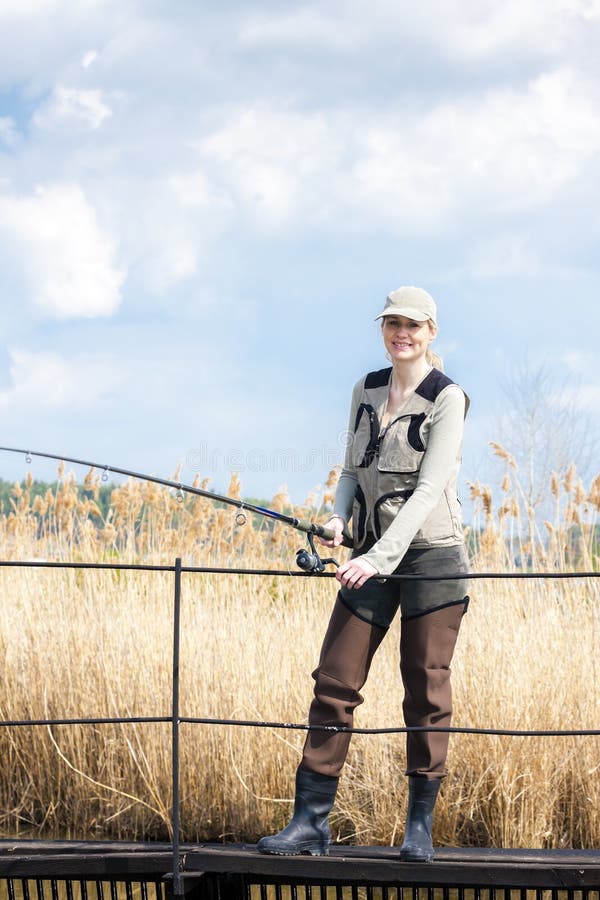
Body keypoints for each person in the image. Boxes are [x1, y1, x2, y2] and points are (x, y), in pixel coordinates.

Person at [257, 286, 470, 862]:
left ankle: (418, 829)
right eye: (392, 323)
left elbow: (429, 490)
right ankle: (309, 825)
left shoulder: (449, 399)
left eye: (413, 326)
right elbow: (352, 468)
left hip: (431, 559)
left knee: (425, 689)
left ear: (431, 332)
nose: (401, 333)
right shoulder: (366, 388)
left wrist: (375, 559)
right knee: (335, 680)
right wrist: (337, 520)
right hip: (367, 555)